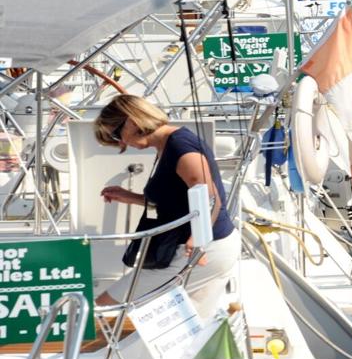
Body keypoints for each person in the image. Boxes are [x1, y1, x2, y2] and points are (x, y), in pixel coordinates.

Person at [92, 94, 241, 318]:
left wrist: (198, 240)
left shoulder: (181, 147)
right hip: (206, 250)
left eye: (117, 135)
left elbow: (211, 199)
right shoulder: (165, 146)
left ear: (132, 121)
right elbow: (175, 201)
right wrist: (130, 197)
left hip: (200, 251)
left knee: (105, 307)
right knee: (189, 326)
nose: (122, 144)